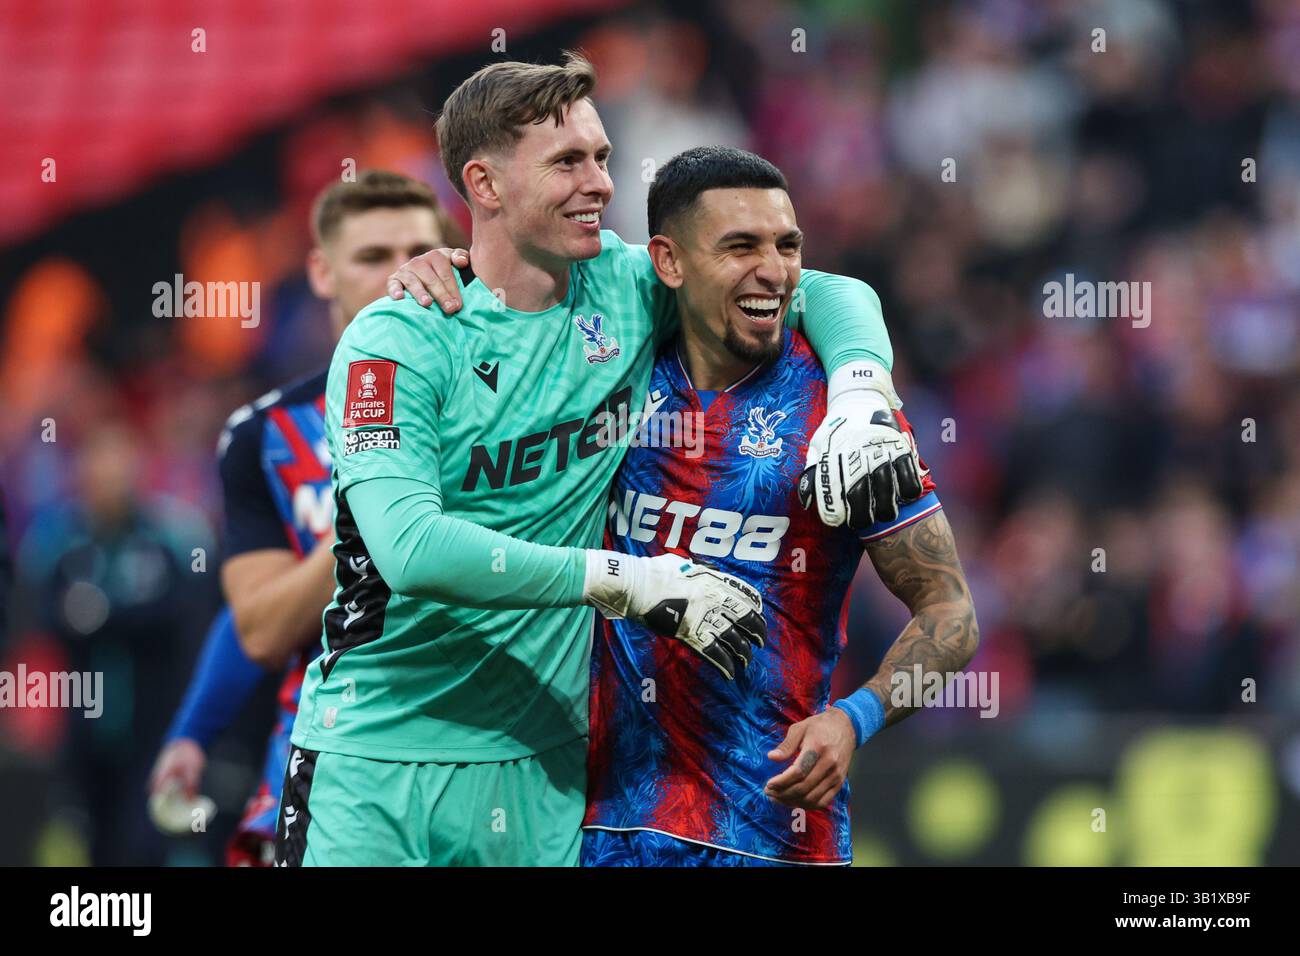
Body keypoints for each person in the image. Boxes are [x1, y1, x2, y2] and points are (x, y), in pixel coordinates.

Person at [280, 54, 912, 867]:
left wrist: (861, 391)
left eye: (603, 157)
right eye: (567, 162)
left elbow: (822, 290)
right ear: (486, 184)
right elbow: (411, 551)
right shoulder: (396, 338)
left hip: (544, 770)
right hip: (375, 757)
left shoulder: (626, 287)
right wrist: (631, 582)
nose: (601, 184)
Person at [578, 146, 979, 866]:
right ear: (669, 262)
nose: (772, 270)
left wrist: (854, 720)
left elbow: (950, 614)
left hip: (769, 833)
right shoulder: (610, 375)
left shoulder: (844, 418)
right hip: (593, 828)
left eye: (786, 244)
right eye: (740, 246)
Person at [148, 170, 461, 866]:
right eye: (373, 256)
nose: (401, 273)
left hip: (492, 750)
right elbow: (259, 623)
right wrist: (195, 728)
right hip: (331, 759)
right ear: (321, 272)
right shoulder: (264, 436)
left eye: (420, 249)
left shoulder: (507, 401)